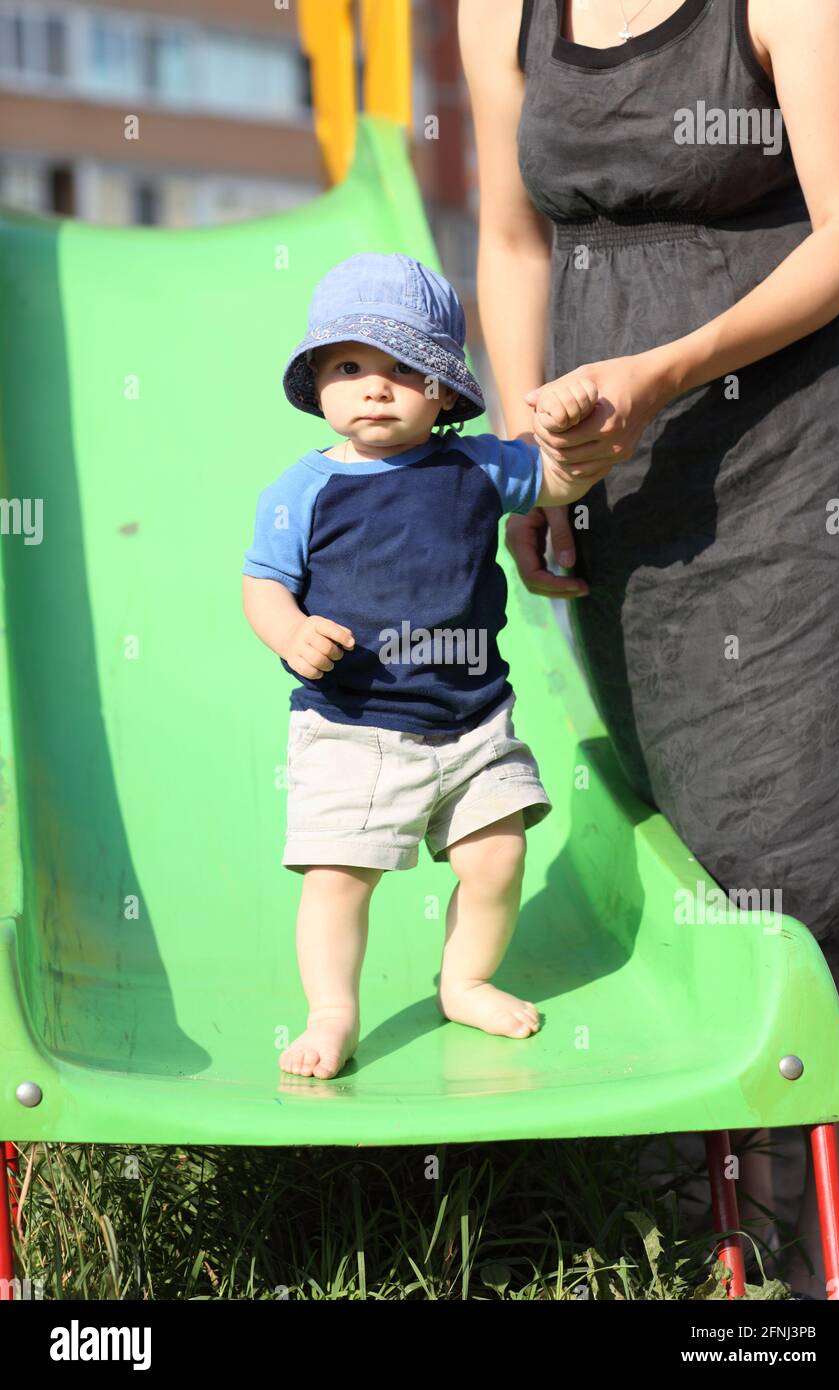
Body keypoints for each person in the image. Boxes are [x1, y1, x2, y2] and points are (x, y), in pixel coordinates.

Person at [459, 0, 839, 1298]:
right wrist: (527, 464)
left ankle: (836, 1261)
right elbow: (510, 239)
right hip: (616, 485)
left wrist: (664, 369)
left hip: (787, 471)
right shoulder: (497, 9)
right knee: (694, 841)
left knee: (814, 862)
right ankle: (732, 1251)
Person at [241, 252, 599, 1081]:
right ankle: (332, 1010)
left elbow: (560, 476)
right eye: (349, 367)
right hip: (353, 726)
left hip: (475, 723)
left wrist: (568, 421)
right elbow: (263, 584)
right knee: (339, 877)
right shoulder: (303, 490)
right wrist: (290, 634)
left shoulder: (478, 465)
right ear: (317, 384)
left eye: (405, 370)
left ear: (444, 392)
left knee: (497, 857)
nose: (376, 387)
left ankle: (464, 980)